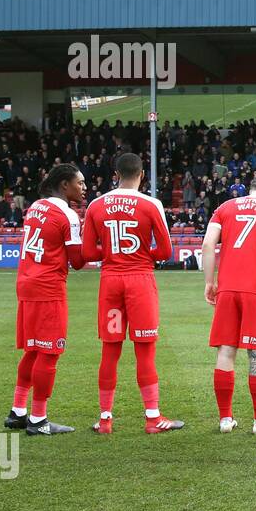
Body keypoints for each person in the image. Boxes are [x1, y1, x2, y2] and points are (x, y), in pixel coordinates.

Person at [81, 152, 183, 434]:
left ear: (116, 175)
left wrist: (113, 252)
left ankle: (104, 420)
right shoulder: (151, 204)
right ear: (141, 175)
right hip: (139, 280)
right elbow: (164, 251)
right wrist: (139, 252)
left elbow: (88, 253)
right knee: (145, 351)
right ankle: (152, 419)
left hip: (111, 280)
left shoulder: (96, 205)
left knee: (110, 350)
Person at [202, 173, 256, 434]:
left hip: (227, 288)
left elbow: (208, 245)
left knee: (226, 351)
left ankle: (225, 419)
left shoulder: (225, 207)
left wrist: (210, 282)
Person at [5, 164, 87, 436]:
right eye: (79, 182)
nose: (83, 187)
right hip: (48, 288)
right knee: (49, 353)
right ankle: (38, 419)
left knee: (33, 350)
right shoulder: (68, 215)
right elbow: (76, 261)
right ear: (65, 185)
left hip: (26, 282)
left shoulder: (36, 206)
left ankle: (18, 412)